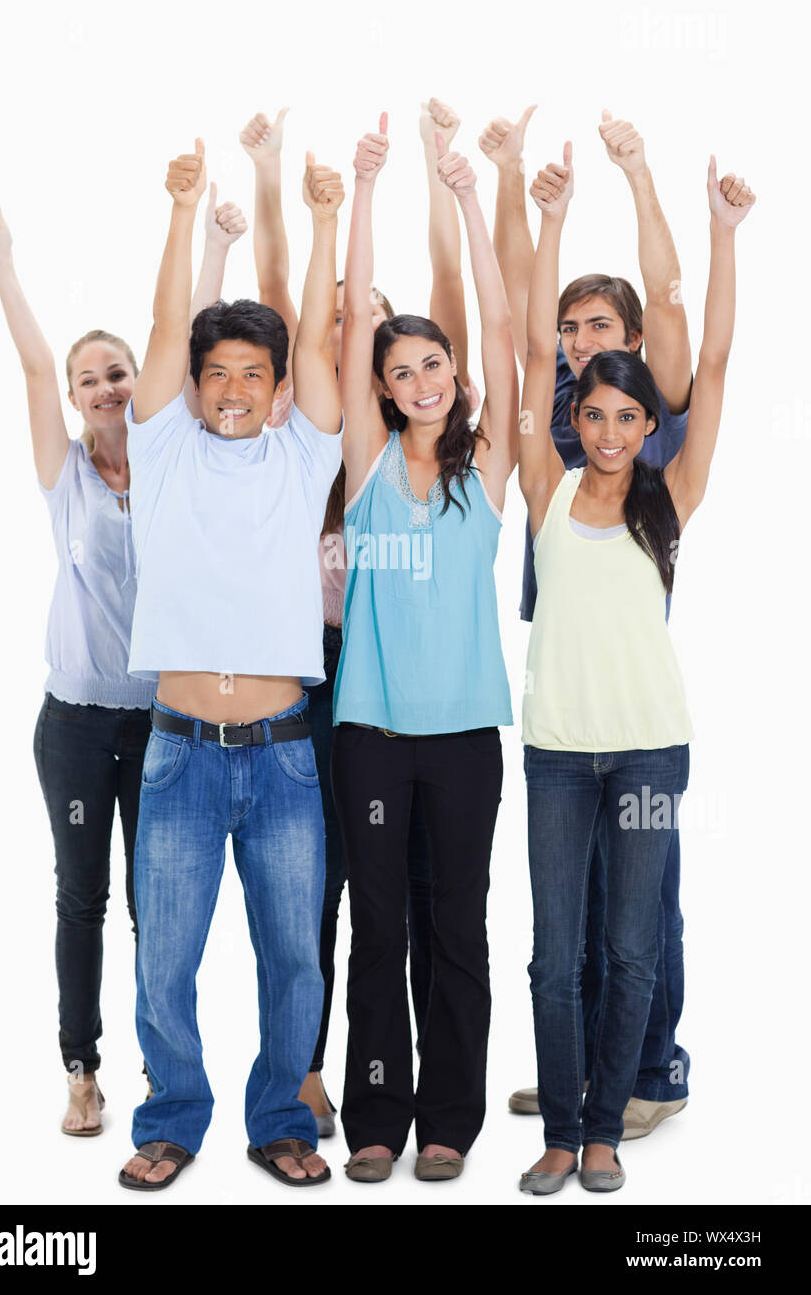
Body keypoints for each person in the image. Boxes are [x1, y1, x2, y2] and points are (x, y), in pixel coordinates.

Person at [516, 141, 754, 1194]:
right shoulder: (546, 491)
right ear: (571, 414)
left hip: (650, 756)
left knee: (628, 950)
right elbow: (531, 351)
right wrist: (551, 218)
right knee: (553, 956)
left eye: (626, 415)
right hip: (559, 757)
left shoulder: (669, 492)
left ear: (644, 425)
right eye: (591, 411)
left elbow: (705, 365)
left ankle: (608, 1121)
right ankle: (562, 1130)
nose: (607, 428)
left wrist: (715, 233)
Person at [0, 191, 233, 1138]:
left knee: (154, 906)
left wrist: (216, 239)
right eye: (91, 380)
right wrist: (3, 262)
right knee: (80, 896)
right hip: (78, 724)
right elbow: (34, 365)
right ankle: (82, 1070)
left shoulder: (173, 462)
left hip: (162, 725)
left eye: (117, 372)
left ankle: (169, 1075)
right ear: (77, 399)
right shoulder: (65, 475)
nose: (105, 388)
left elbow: (194, 336)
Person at [237, 101, 474, 1134]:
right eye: (337, 323)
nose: (348, 332)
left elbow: (457, 311)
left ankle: (420, 1088)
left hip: (386, 672)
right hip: (310, 669)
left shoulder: (405, 449)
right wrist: (272, 173)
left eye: (366, 322)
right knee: (320, 882)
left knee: (403, 885)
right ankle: (307, 1066)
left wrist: (442, 176)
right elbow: (287, 287)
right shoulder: (299, 423)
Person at [118, 138, 343, 1192]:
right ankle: (170, 1116)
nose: (237, 389)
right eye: (220, 374)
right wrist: (180, 211)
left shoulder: (303, 456)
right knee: (163, 957)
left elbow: (309, 342)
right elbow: (167, 326)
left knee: (293, 959)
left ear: (278, 384)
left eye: (256, 373)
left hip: (284, 755)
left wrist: (324, 215)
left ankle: (278, 1119)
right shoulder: (161, 450)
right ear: (196, 386)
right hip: (177, 756)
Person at [503, 113, 696, 1138]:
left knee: (640, 906)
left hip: (635, 719)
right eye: (571, 330)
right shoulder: (559, 435)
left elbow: (668, 302)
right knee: (571, 907)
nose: (581, 345)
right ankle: (584, 1068)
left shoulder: (650, 435)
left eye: (598, 329)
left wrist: (634, 173)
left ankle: (650, 1071)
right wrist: (510, 190)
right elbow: (518, 332)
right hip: (564, 715)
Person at [332, 116, 517, 1184]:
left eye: (433, 361)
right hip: (370, 737)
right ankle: (375, 1116)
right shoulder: (364, 461)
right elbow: (355, 311)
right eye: (402, 370)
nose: (422, 379)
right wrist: (363, 192)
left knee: (458, 928)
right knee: (380, 929)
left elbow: (504, 328)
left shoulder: (483, 468)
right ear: (386, 387)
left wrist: (461, 197)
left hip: (458, 744)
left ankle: (448, 1117)